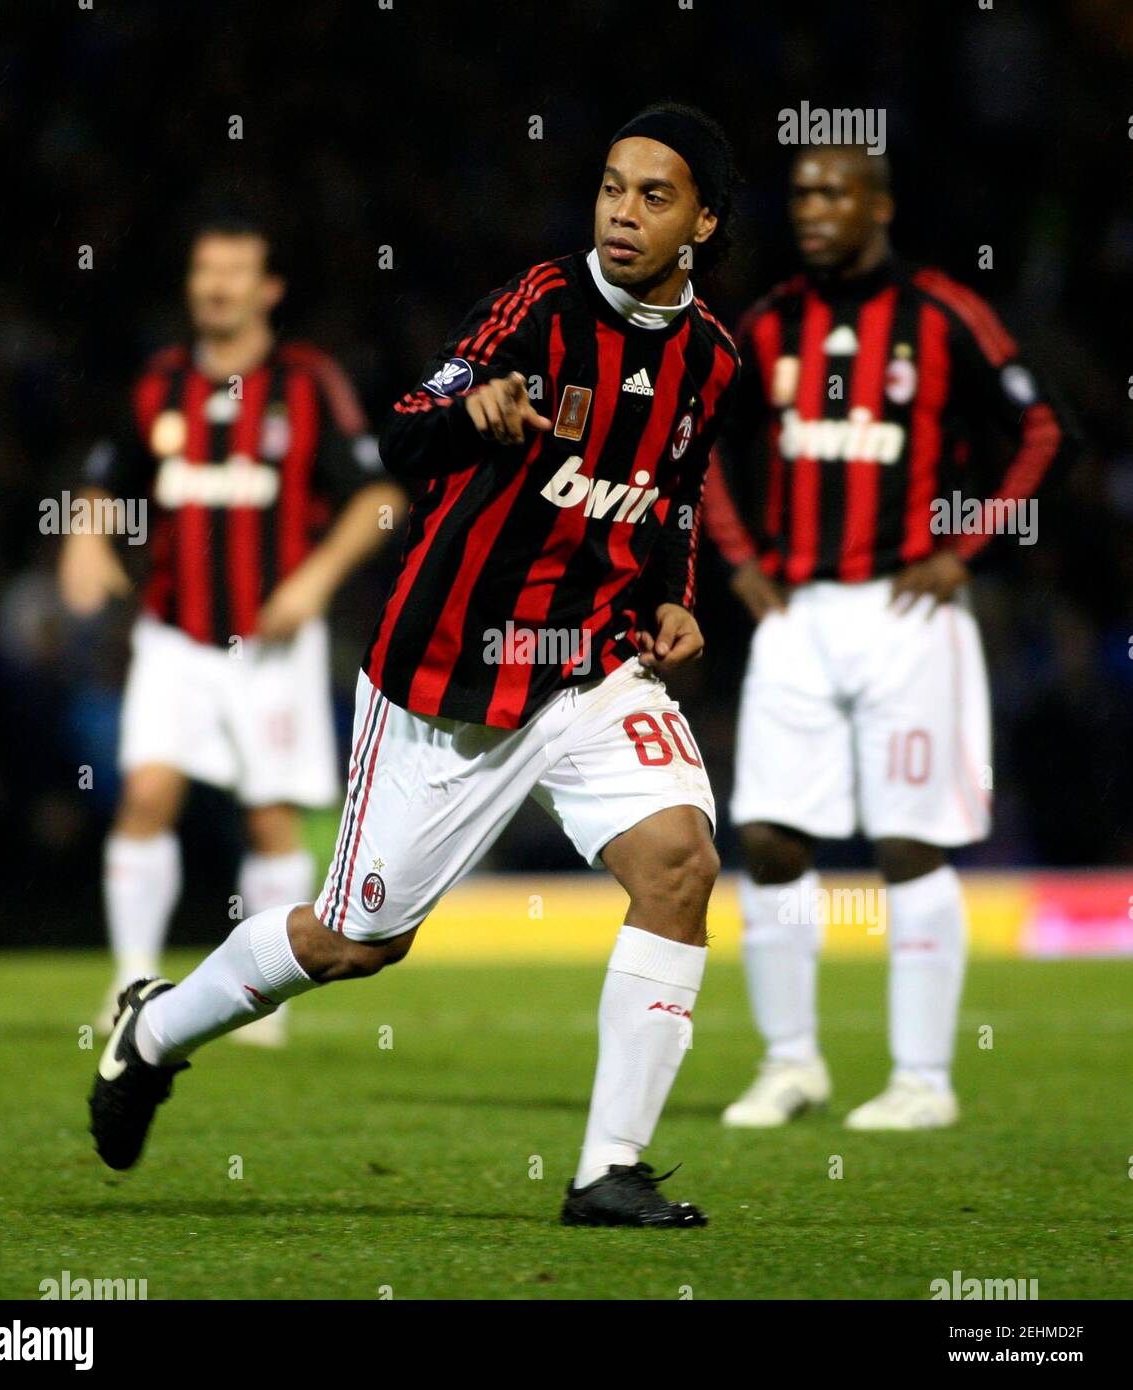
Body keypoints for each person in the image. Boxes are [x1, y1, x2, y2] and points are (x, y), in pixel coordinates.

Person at [89, 104, 740, 1228]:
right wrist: (470, 412)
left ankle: (607, 1170)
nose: (622, 213)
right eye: (610, 187)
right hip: (448, 675)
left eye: (653, 196)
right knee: (354, 941)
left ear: (703, 222)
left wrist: (676, 593)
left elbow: (671, 500)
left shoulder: (714, 360)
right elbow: (402, 432)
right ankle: (152, 1033)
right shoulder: (539, 307)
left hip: (591, 666)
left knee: (681, 865)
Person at [705, 145, 1069, 1129]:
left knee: (909, 841)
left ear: (880, 205)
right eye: (803, 195)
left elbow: (1042, 435)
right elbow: (700, 445)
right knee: (772, 834)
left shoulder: (944, 313)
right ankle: (792, 1064)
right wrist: (738, 559)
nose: (814, 209)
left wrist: (967, 550)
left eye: (835, 193)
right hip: (798, 612)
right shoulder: (770, 322)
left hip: (910, 617)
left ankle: (923, 1079)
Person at [60, 216, 403, 1046]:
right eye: (204, 268)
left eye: (234, 270)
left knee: (269, 817)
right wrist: (83, 535)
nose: (216, 284)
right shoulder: (161, 382)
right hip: (175, 635)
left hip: (272, 645)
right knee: (146, 796)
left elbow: (377, 498)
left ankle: (260, 997)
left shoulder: (308, 381)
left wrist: (314, 580)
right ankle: (133, 979)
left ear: (269, 288)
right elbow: (107, 478)